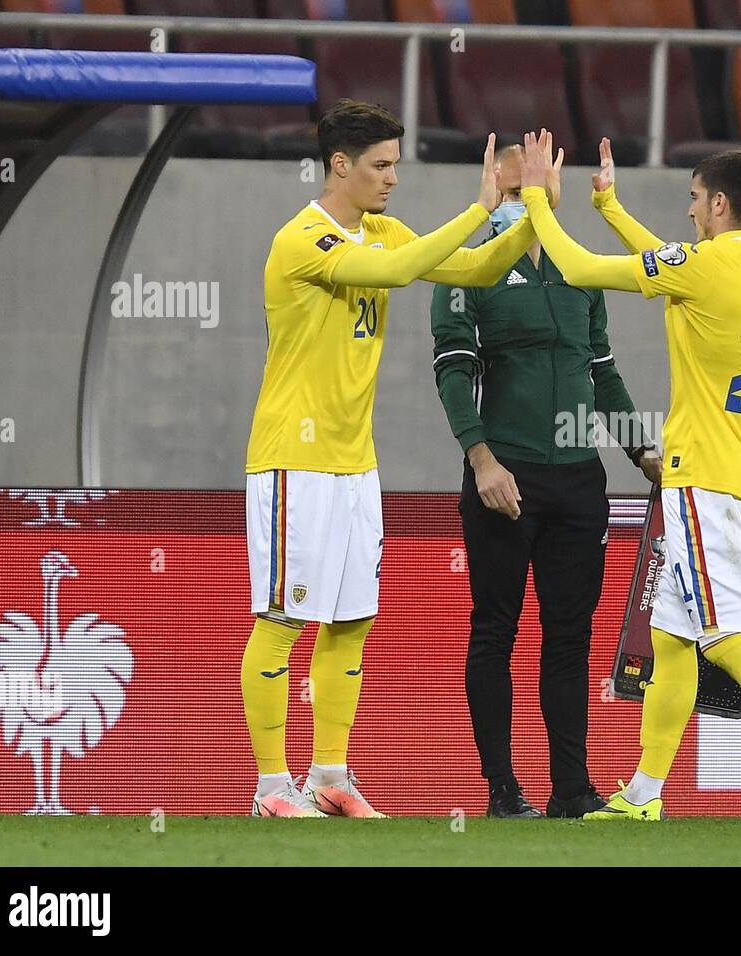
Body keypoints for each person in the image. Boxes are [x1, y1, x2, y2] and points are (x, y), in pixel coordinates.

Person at [516, 130, 741, 823]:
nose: (686, 212)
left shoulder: (704, 267)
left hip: (700, 479)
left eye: (691, 200)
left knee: (725, 635)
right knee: (674, 640)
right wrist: (612, 206)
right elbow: (677, 265)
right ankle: (644, 796)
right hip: (740, 474)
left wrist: (537, 198)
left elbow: (581, 268)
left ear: (716, 204)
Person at [240, 99, 555, 818]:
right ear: (340, 164)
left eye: (396, 165)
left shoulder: (380, 228)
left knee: (351, 619)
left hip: (355, 461)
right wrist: (480, 208)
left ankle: (329, 778)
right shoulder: (303, 240)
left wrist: (531, 209)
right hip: (295, 454)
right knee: (283, 619)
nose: (392, 179)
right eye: (380, 166)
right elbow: (403, 270)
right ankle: (268, 787)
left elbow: (472, 271)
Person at [431, 140, 662, 819]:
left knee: (570, 636)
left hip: (577, 482)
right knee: (495, 629)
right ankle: (502, 791)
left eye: (541, 175)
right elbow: (453, 371)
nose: (530, 186)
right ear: (493, 188)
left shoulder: (579, 268)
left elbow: (604, 372)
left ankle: (572, 789)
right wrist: (481, 461)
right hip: (504, 474)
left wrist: (641, 451)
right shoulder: (465, 266)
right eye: (515, 178)